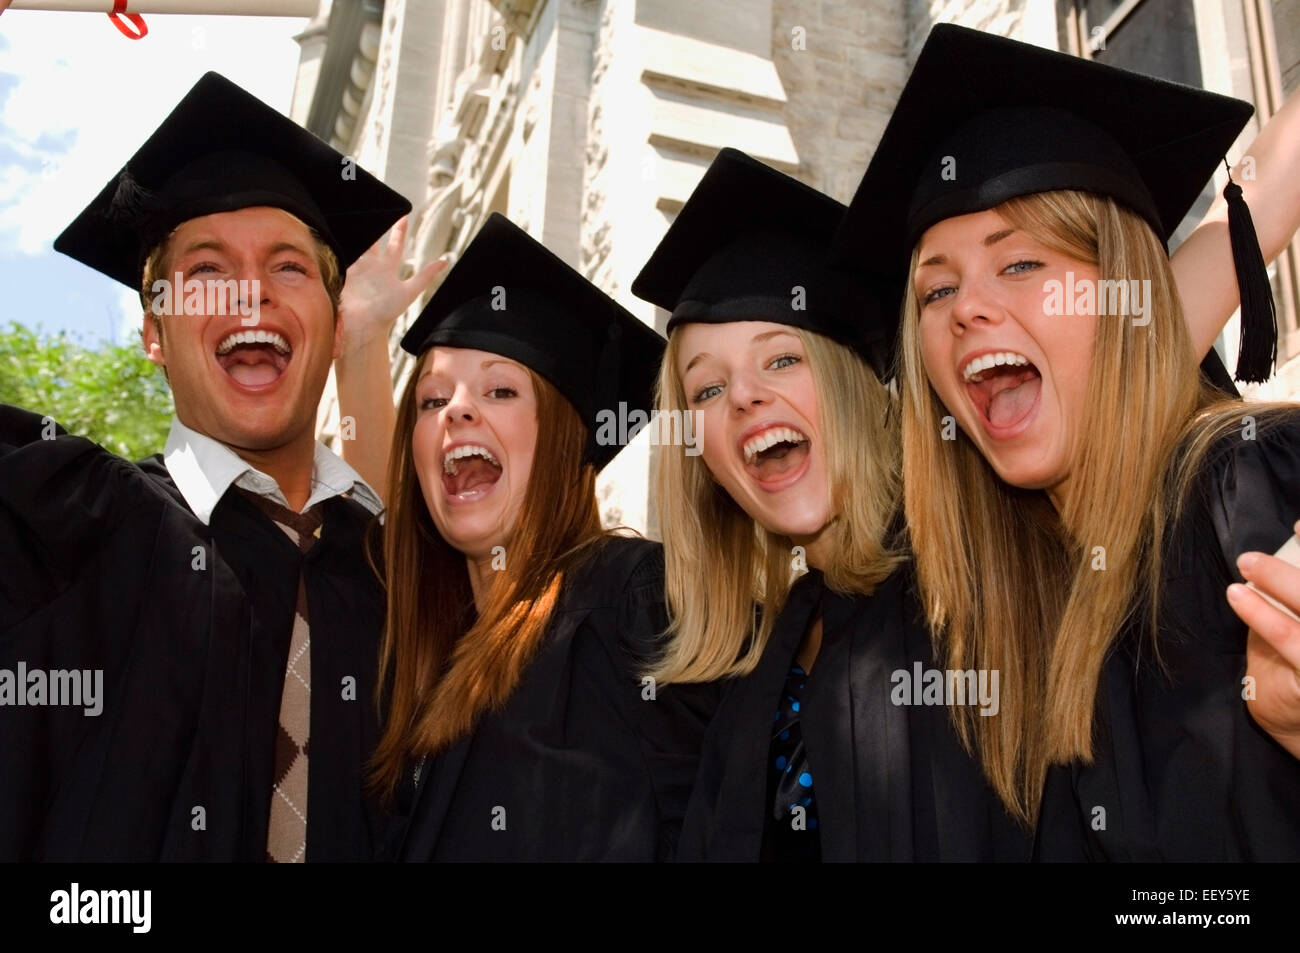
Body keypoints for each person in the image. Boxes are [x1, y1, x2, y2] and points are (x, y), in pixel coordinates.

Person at [833, 24, 1300, 859]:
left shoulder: (1244, 490)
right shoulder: (997, 600)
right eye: (936, 288)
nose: (967, 306)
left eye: (1019, 265)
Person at [0, 72, 430, 861]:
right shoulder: (67, 526)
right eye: (206, 273)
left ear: (331, 329)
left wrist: (366, 350)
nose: (252, 295)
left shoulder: (388, 576)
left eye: (290, 268)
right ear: (154, 335)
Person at [631, 148, 1030, 861]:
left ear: (850, 382)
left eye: (781, 359)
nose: (745, 396)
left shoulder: (980, 542)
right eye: (707, 389)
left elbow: (1125, 372)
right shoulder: (760, 667)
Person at [374, 213, 718, 862]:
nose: (456, 410)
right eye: (430, 400)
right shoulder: (428, 665)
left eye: (500, 388)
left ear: (561, 438)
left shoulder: (636, 600)